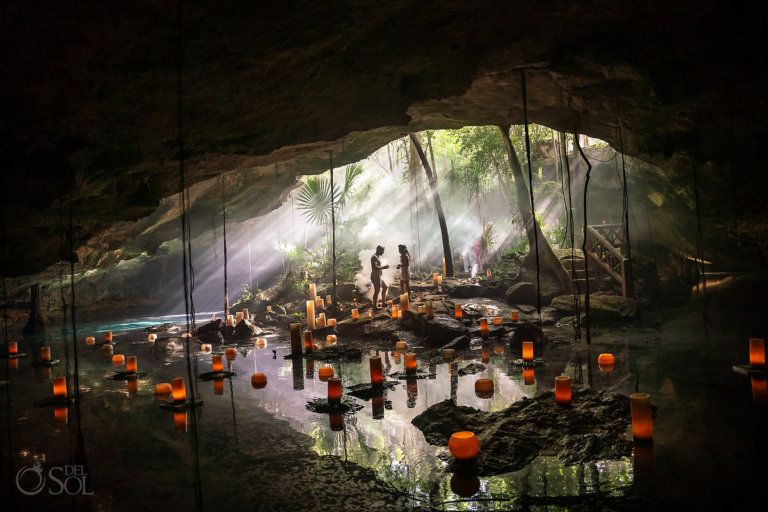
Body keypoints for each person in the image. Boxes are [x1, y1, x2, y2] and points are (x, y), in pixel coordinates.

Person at [371, 245, 389, 310]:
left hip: (379, 276)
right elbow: (374, 267)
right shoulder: (374, 257)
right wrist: (383, 267)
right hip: (375, 276)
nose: (383, 252)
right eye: (382, 251)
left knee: (385, 287)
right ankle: (374, 307)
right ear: (378, 250)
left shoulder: (378, 257)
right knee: (377, 291)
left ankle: (383, 302)